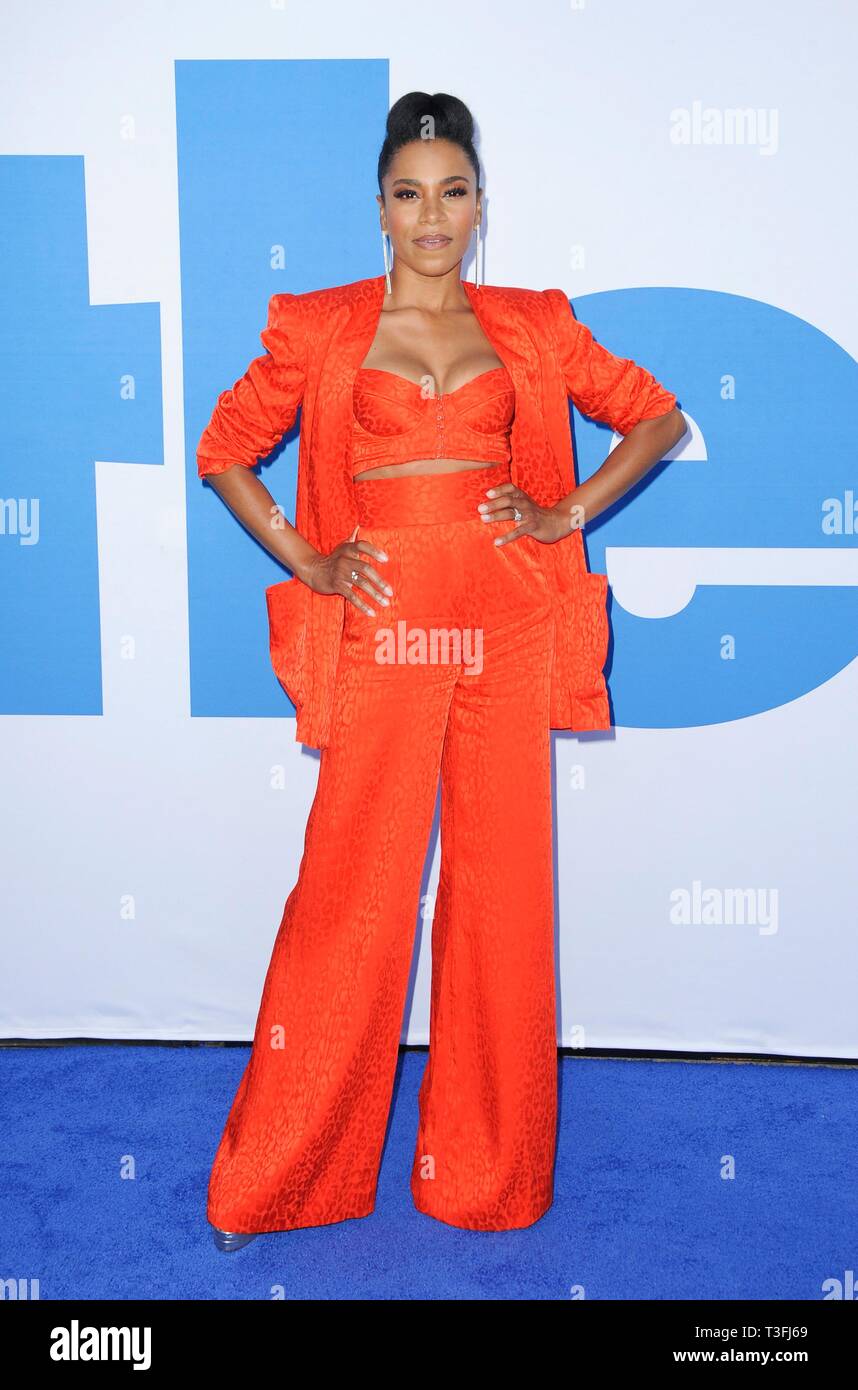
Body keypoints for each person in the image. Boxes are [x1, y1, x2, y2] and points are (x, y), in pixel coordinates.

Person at [196, 92, 686, 1251]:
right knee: (347, 901)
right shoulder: (320, 326)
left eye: (453, 191)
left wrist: (566, 508)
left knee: (500, 899)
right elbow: (226, 449)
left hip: (506, 632)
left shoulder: (530, 322)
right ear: (379, 207)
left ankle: (487, 1178)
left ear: (479, 205)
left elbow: (655, 417)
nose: (432, 215)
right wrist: (310, 556)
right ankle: (278, 1178)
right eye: (410, 192)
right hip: (386, 638)